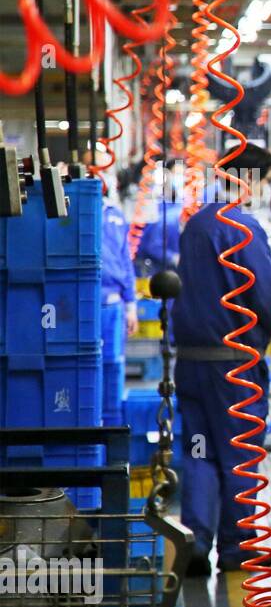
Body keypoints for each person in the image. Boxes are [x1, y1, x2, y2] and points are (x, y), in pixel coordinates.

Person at [172, 143, 271, 576]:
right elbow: (265, 291)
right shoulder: (240, 227)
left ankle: (195, 542)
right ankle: (237, 547)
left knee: (199, 450)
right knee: (239, 452)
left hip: (190, 361)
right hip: (234, 366)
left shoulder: (195, 225)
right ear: (251, 179)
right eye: (263, 181)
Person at [99, 168, 137, 426]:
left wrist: (131, 304)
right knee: (91, 367)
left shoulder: (115, 216)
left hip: (113, 305)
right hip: (85, 303)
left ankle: (113, 426)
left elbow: (125, 260)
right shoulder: (74, 215)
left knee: (113, 366)